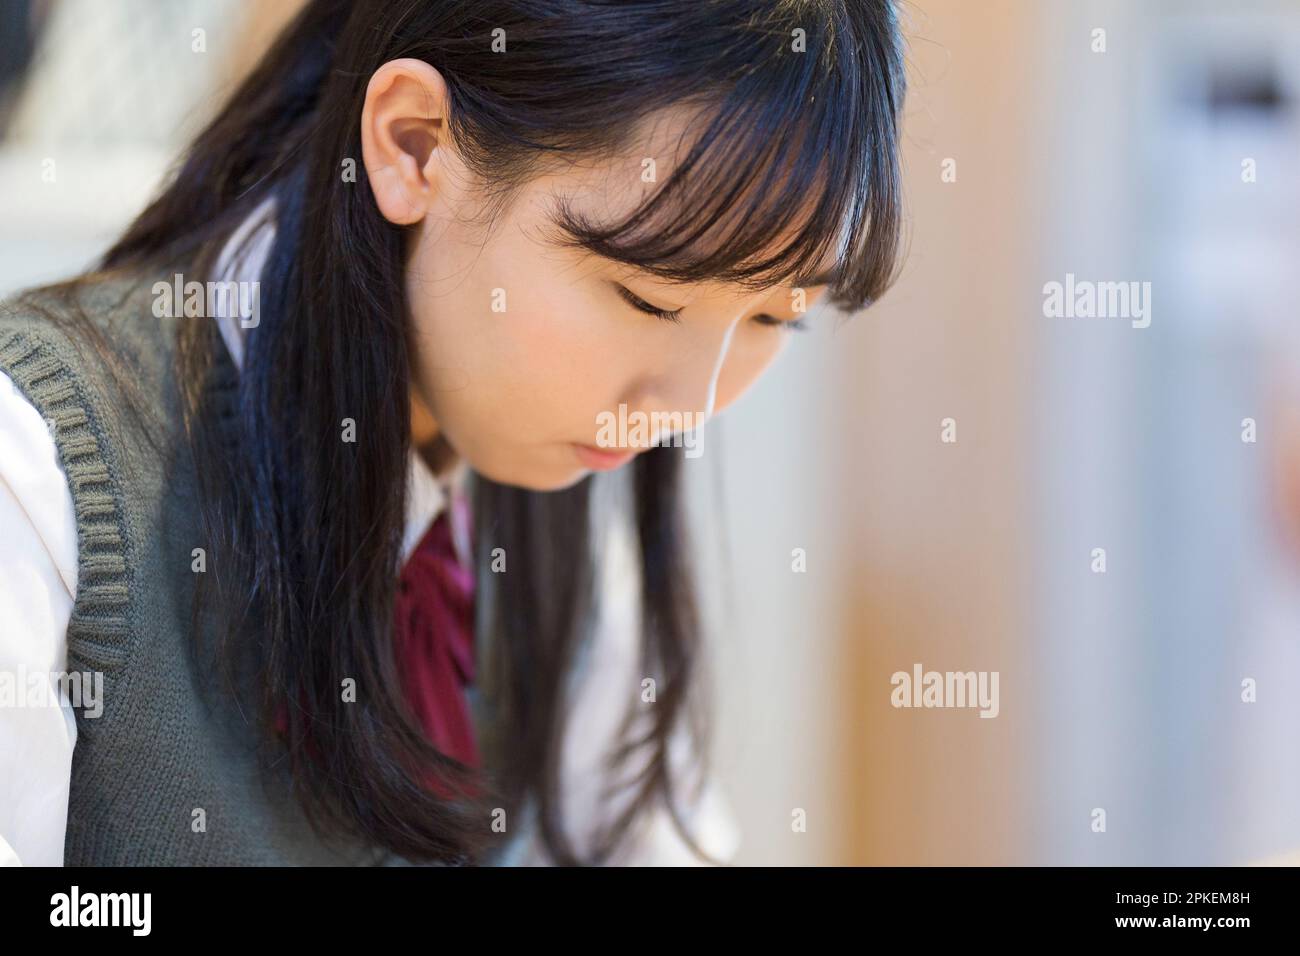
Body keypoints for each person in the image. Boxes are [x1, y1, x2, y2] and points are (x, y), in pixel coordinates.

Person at [0, 0, 907, 866]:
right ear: (413, 145)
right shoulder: (37, 472)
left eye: (775, 319)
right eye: (648, 299)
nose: (685, 409)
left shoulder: (562, 483)